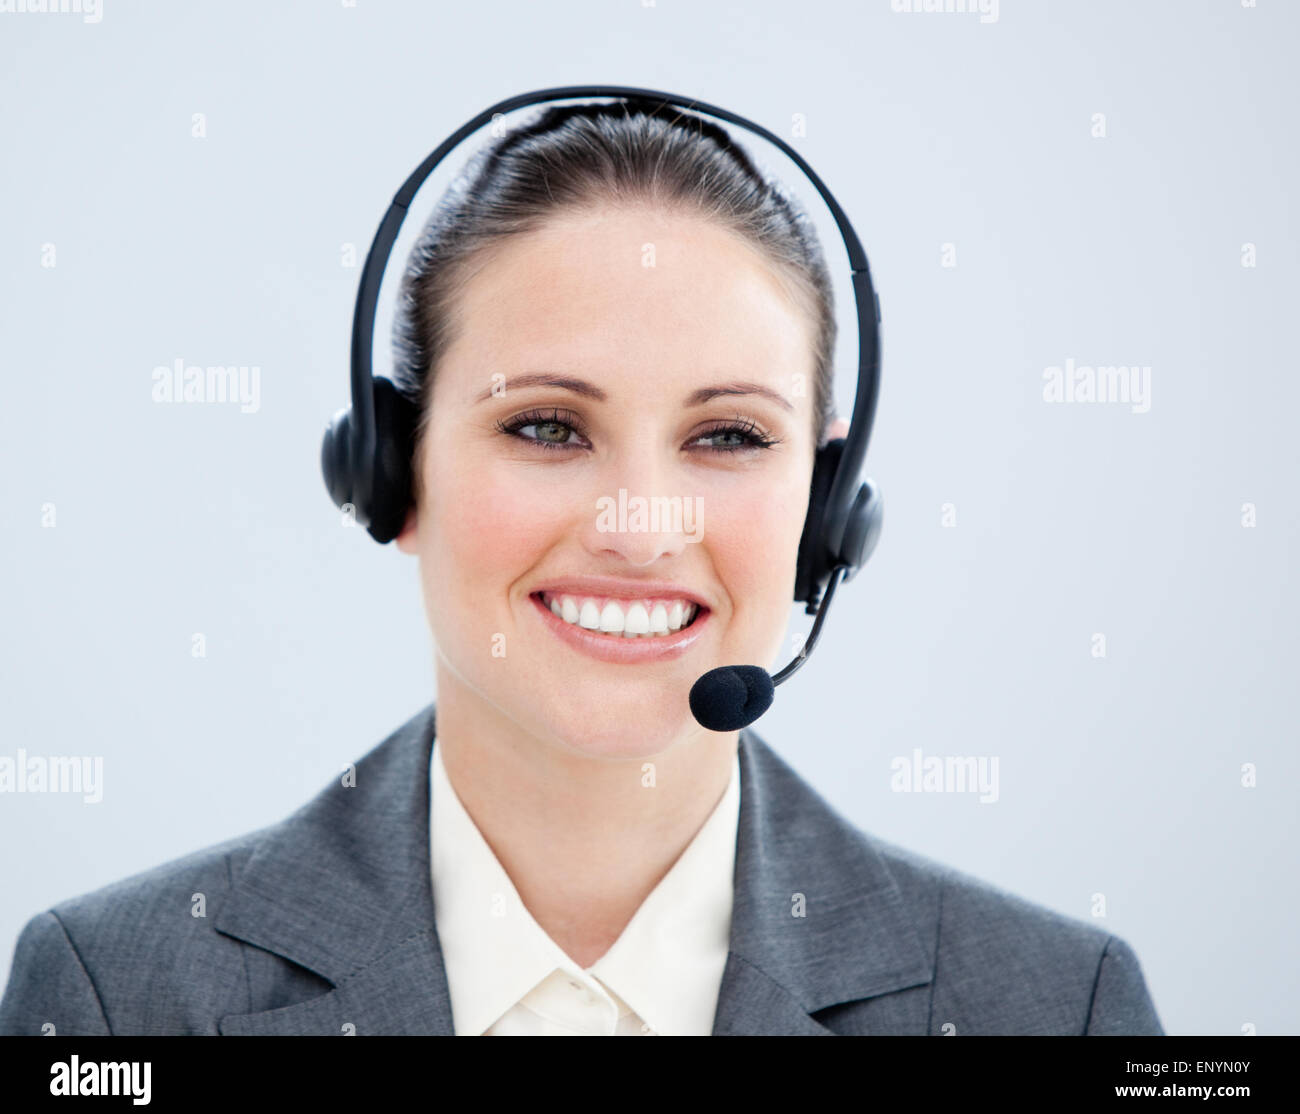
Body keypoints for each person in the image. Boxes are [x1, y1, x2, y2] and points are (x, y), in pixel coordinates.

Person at [0, 98, 1163, 1036]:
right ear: (393, 477)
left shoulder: (1055, 1006)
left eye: (728, 436)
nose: (639, 527)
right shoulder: (116, 997)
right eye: (548, 427)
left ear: (824, 517)